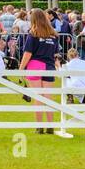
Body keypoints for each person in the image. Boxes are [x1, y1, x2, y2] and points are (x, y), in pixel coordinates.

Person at [20, 8, 67, 137]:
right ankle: (51, 125)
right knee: (48, 96)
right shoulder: (53, 34)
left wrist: (21, 68)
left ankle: (39, 126)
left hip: (35, 64)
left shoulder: (33, 33)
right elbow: (56, 54)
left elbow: (27, 53)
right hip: (49, 66)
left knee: (38, 97)